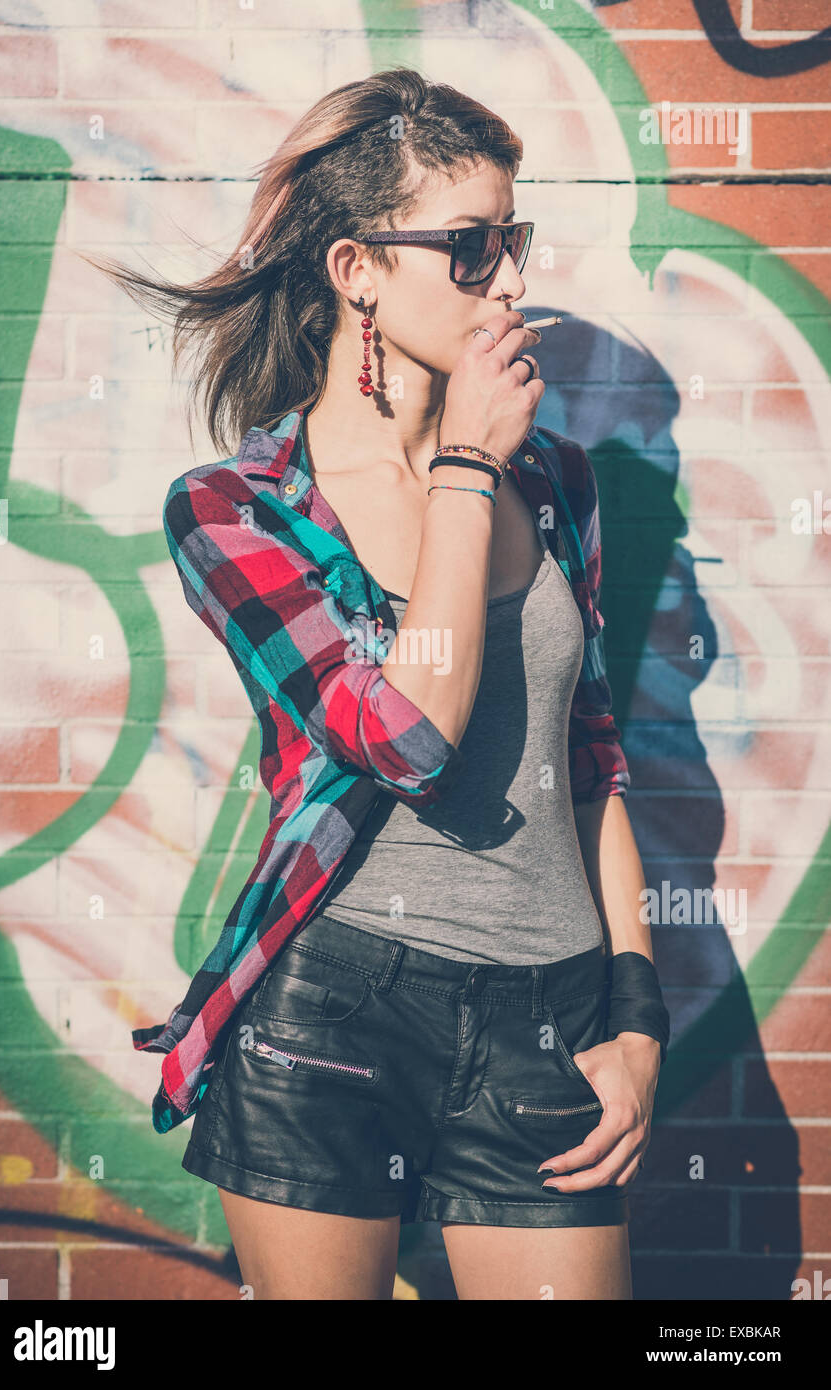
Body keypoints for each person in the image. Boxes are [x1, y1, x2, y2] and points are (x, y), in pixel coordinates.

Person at [87, 66, 669, 1301]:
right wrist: (463, 464)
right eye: (467, 247)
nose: (508, 277)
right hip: (330, 1025)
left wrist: (635, 1012)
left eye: (512, 237)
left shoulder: (554, 477)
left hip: (547, 1018)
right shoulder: (235, 512)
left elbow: (591, 755)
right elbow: (405, 733)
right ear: (356, 269)